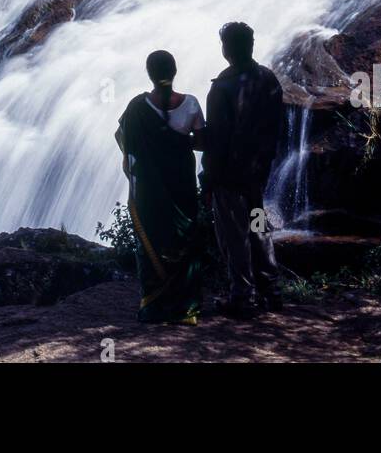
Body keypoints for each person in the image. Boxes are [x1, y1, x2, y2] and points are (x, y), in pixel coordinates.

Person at [115, 49, 206, 324]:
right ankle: (186, 309)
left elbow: (123, 138)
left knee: (151, 240)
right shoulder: (191, 104)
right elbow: (201, 143)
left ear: (149, 74)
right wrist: (179, 143)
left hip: (150, 190)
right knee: (185, 239)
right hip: (182, 185)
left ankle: (153, 305)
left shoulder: (136, 107)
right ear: (174, 72)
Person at [202, 21, 284, 318]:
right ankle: (271, 291)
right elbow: (278, 128)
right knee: (259, 228)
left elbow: (217, 142)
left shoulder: (221, 88)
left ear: (227, 50)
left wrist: (208, 179)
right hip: (258, 173)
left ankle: (242, 297)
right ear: (250, 46)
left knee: (234, 235)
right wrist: (266, 163)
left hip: (229, 176)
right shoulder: (269, 80)